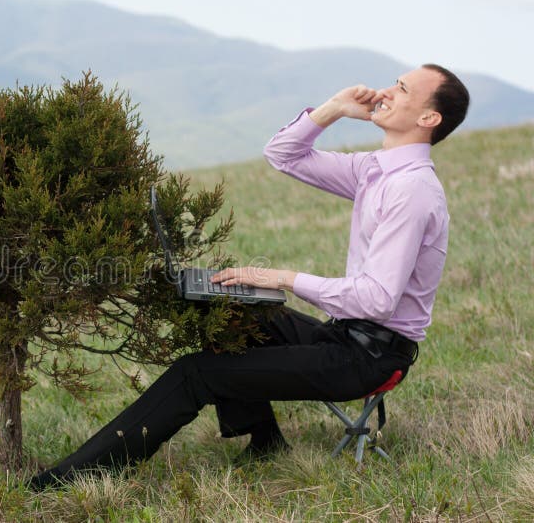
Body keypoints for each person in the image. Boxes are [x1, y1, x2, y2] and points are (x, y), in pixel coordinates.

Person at [29, 64, 470, 490]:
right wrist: (333, 108)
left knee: (196, 374)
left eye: (403, 89)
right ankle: (265, 441)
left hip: (368, 358)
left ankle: (73, 478)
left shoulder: (411, 191)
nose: (387, 92)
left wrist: (280, 277)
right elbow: (282, 154)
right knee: (228, 306)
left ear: (429, 118)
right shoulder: (375, 170)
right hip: (346, 336)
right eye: (393, 82)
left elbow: (376, 301)